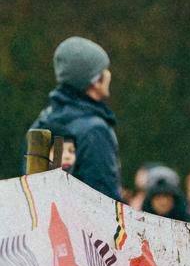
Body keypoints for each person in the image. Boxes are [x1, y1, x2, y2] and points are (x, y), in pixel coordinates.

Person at [29, 36, 123, 201]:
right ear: (96, 80)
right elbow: (105, 203)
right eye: (104, 70)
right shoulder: (95, 131)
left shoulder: (41, 123)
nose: (109, 74)